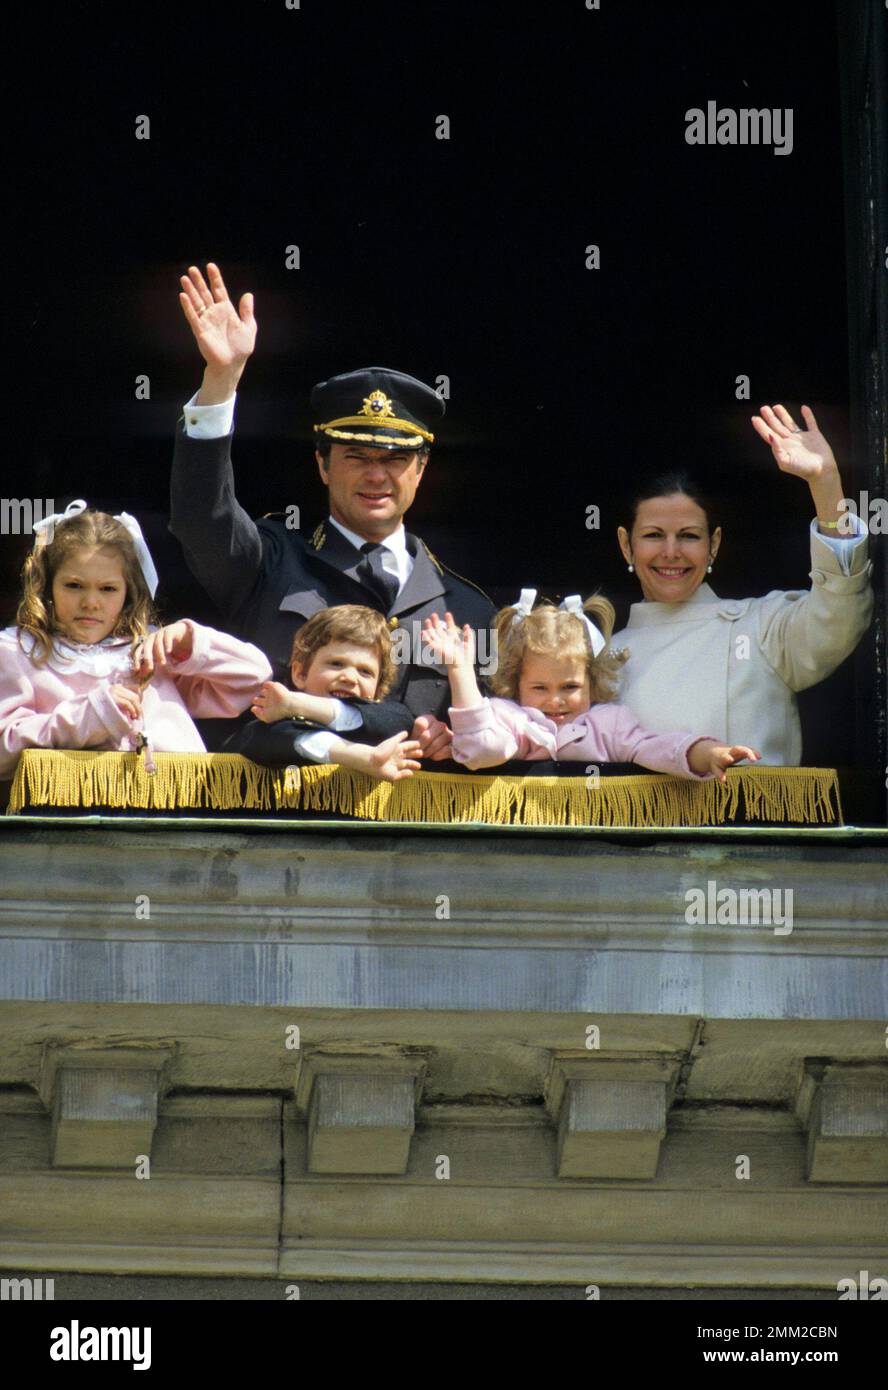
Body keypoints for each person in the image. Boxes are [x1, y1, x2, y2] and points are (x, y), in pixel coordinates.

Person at [169, 262, 494, 757]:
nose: (376, 475)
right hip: (273, 823)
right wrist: (222, 381)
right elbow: (201, 518)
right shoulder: (270, 561)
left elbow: (501, 730)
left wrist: (458, 737)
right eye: (357, 457)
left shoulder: (468, 608)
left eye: (395, 460)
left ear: (421, 470)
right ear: (322, 464)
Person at [613, 404, 874, 766]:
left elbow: (842, 609)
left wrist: (825, 483)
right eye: (654, 535)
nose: (670, 552)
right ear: (627, 545)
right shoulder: (600, 659)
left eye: (688, 536)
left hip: (750, 823)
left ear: (714, 545)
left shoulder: (760, 627)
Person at [0, 501, 271, 781]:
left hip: (176, 814)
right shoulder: (18, 651)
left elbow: (254, 680)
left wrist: (192, 642)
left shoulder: (153, 652)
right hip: (75, 820)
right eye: (74, 585)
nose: (91, 602)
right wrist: (90, 714)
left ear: (128, 593)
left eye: (108, 589)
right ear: (48, 586)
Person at [421, 592, 759, 780]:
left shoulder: (609, 724)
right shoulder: (508, 718)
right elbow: (481, 751)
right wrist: (460, 669)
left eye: (569, 686)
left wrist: (706, 753)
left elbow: (658, 748)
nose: (555, 701)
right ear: (516, 683)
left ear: (591, 682)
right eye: (540, 688)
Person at [226, 605, 422, 783]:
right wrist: (364, 758)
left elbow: (400, 720)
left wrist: (299, 704)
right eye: (336, 664)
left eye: (365, 672)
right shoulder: (271, 726)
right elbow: (268, 737)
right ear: (300, 673)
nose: (350, 678)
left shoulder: (388, 721)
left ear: (378, 690)